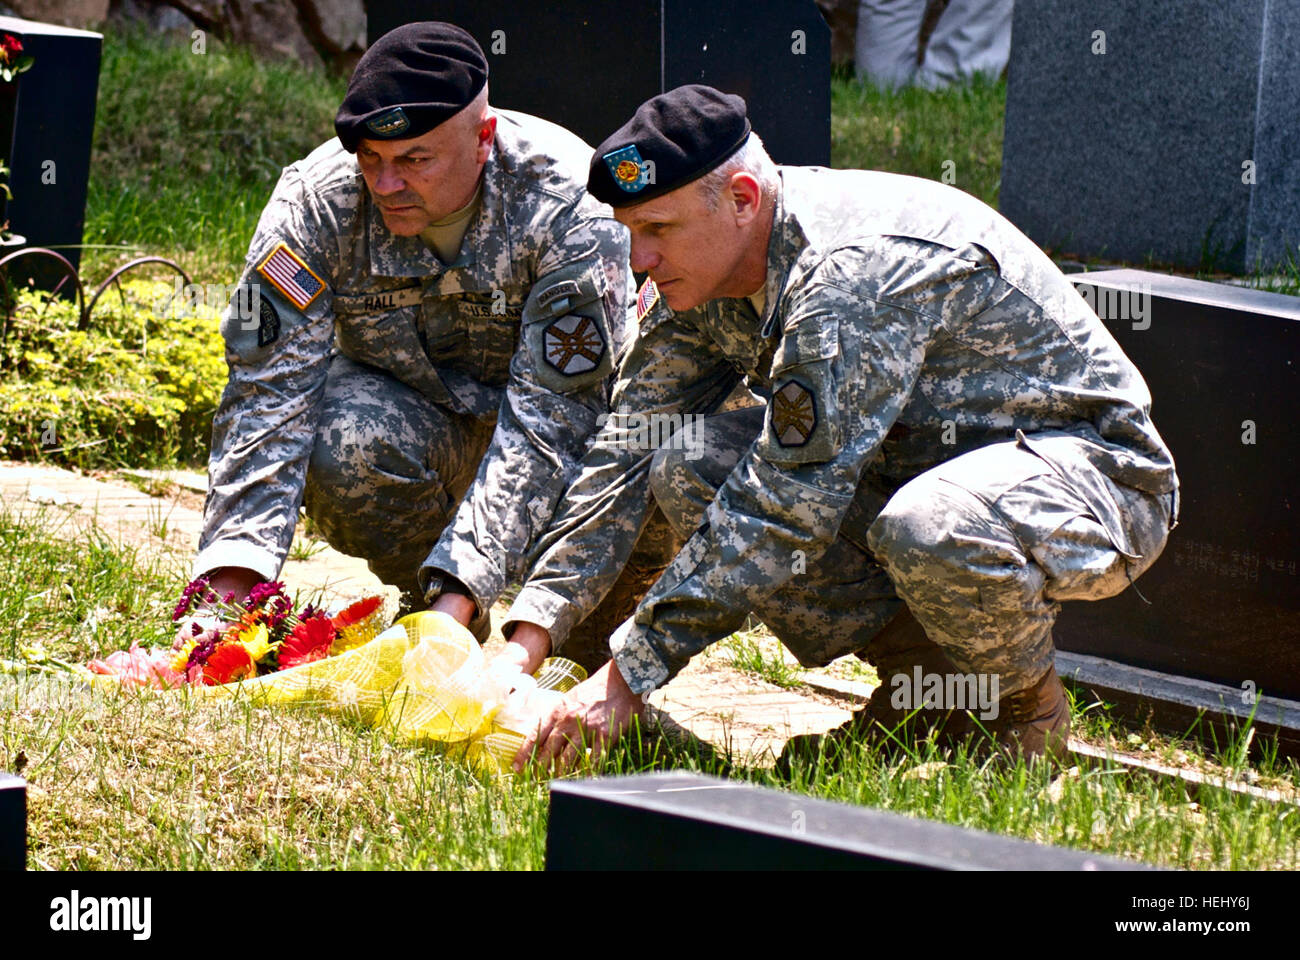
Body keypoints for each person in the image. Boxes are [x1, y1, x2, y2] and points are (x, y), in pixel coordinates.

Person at [502, 85, 1179, 773]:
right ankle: (927, 694)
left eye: (657, 229)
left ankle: (1025, 714)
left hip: (1091, 474)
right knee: (686, 465)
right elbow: (626, 448)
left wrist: (625, 678)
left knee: (930, 524)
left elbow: (786, 504)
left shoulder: (848, 275)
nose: (637, 258)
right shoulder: (705, 272)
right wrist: (527, 638)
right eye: (628, 232)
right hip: (908, 468)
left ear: (741, 198)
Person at [192, 21, 677, 667]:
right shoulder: (316, 203)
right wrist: (229, 593)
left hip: (565, 444)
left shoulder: (568, 206)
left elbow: (551, 421)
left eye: (415, 159)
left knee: (665, 443)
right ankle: (436, 616)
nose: (385, 183)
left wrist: (467, 584)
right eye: (371, 158)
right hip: (420, 425)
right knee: (344, 440)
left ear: (483, 138)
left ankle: (589, 656)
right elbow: (266, 395)